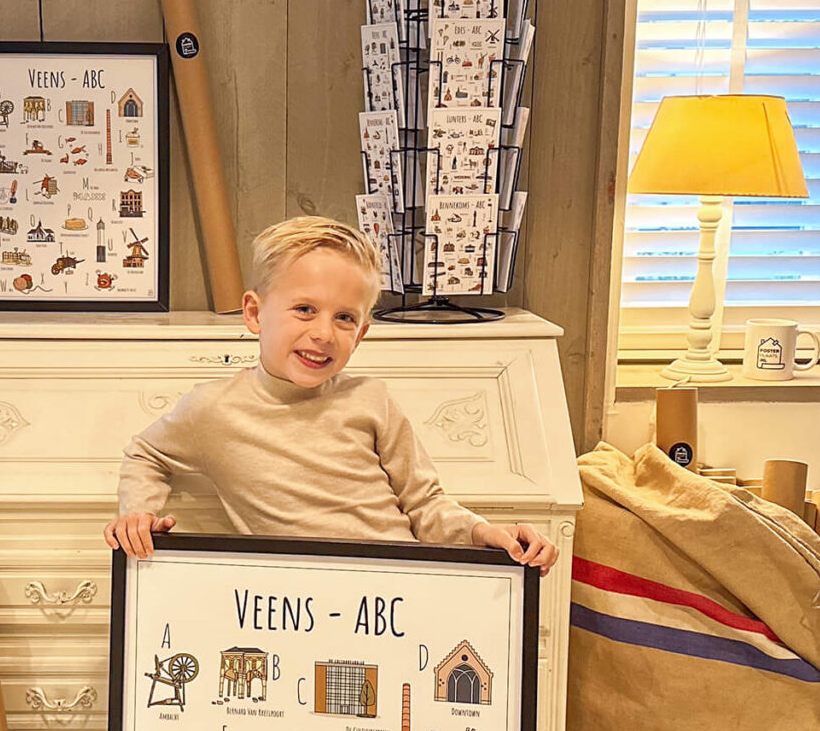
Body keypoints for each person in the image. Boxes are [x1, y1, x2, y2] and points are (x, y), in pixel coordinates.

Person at [107, 215, 558, 572]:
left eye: (344, 318)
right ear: (254, 313)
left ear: (360, 334)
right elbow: (145, 453)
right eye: (305, 309)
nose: (323, 333)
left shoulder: (372, 400)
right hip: (300, 603)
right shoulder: (212, 409)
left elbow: (425, 505)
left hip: (401, 587)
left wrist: (485, 533)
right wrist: (138, 512)